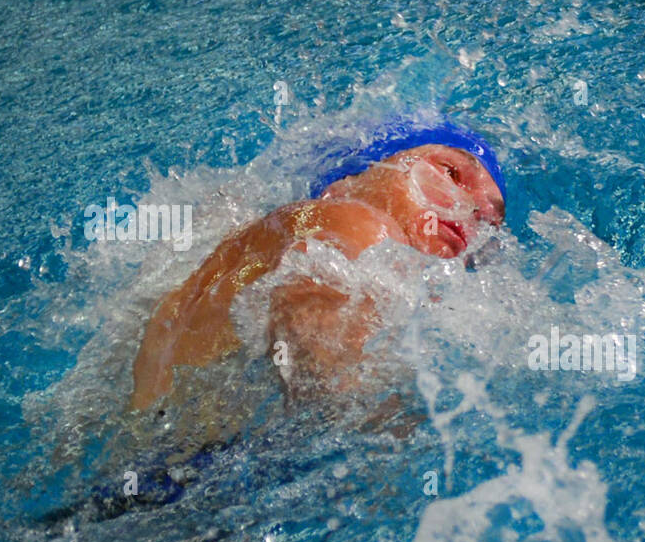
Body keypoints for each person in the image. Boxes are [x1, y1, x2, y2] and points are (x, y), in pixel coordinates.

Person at [128, 121, 507, 412]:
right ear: (346, 181)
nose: (471, 210)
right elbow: (313, 333)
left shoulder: (263, 243)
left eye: (489, 220)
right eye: (451, 173)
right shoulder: (352, 218)